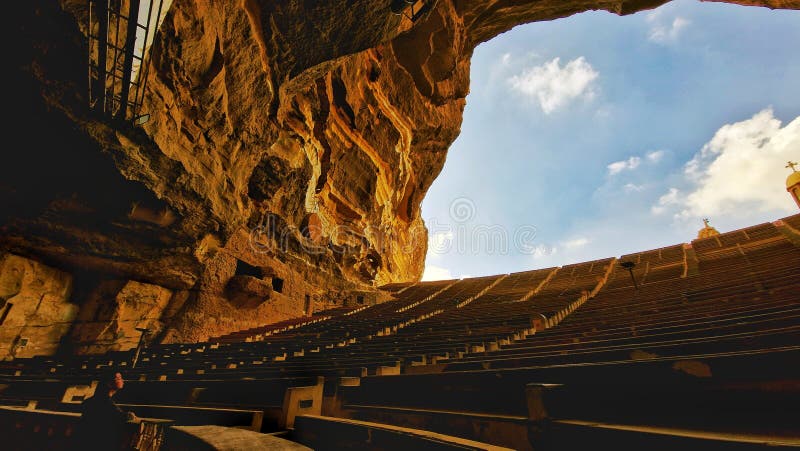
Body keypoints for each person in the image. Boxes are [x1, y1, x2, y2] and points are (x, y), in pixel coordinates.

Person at [73, 370, 138, 450]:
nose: (122, 380)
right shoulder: (106, 402)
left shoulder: (91, 400)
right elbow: (120, 416)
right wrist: (130, 415)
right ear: (109, 383)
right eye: (119, 378)